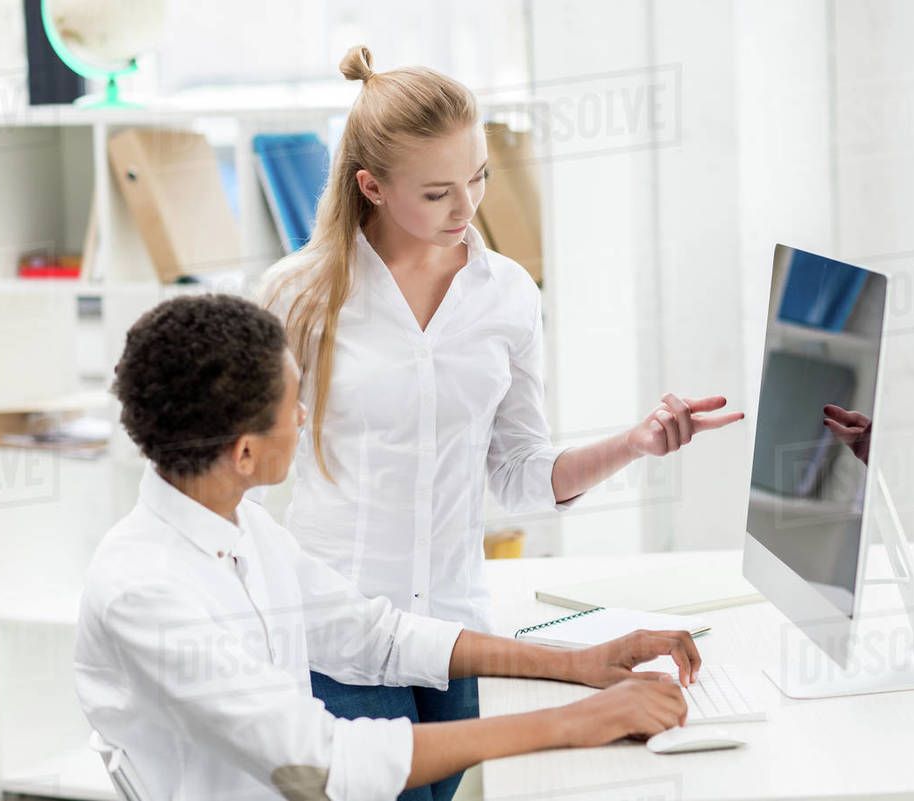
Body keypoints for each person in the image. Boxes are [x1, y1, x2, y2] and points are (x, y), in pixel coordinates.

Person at [259, 45, 743, 800]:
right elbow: (245, 475)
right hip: (337, 638)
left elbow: (518, 472)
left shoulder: (507, 295)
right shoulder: (296, 296)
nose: (467, 207)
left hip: (457, 636)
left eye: (479, 177)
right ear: (372, 186)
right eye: (438, 191)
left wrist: (636, 443)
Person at [74, 295, 701, 801]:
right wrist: (573, 724)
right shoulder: (145, 591)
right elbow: (317, 763)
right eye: (293, 404)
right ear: (243, 453)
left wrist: (577, 663)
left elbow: (376, 637)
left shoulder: (244, 527)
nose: (303, 417)